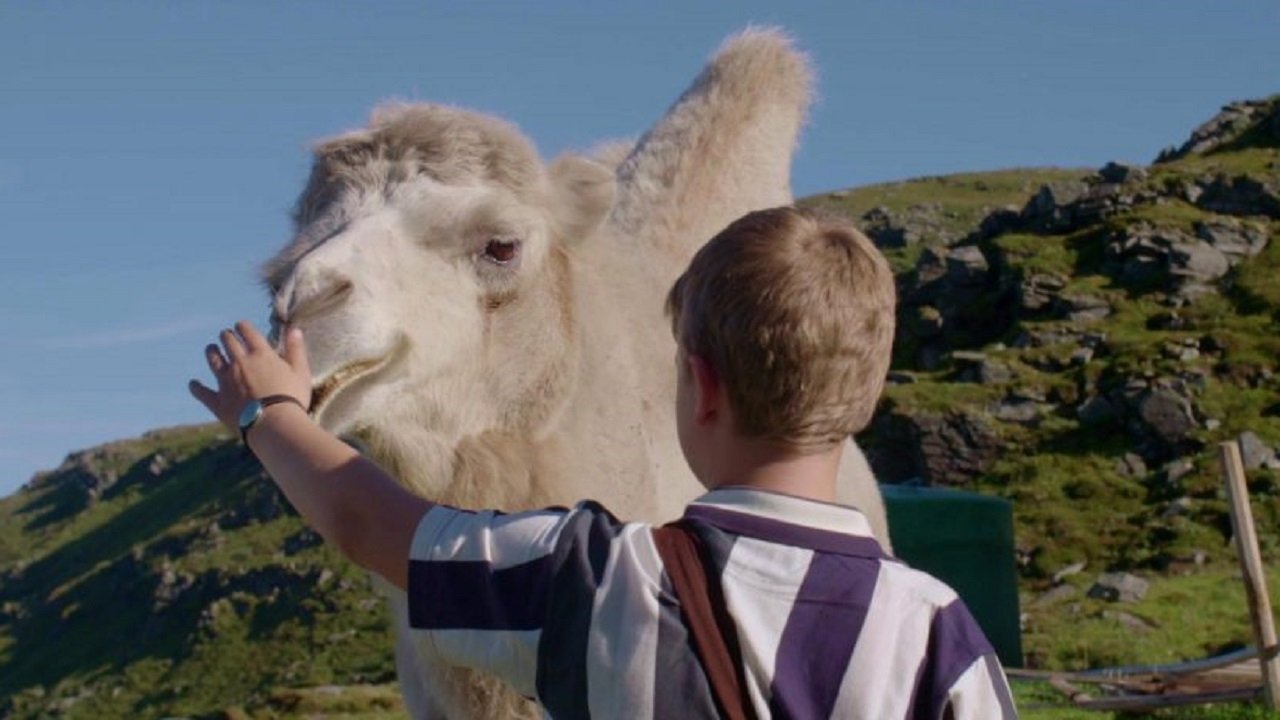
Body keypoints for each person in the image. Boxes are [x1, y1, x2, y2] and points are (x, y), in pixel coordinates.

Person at [190, 206, 1017, 719]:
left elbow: (364, 520)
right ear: (864, 401)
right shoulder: (940, 630)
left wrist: (269, 411)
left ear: (698, 386)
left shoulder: (596, 579)